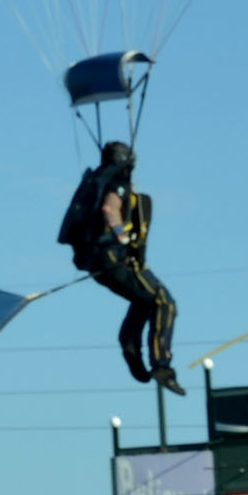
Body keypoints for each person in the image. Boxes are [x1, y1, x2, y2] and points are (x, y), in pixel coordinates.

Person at [59, 140, 180, 392]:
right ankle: (161, 365)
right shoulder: (117, 183)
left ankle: (130, 342)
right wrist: (122, 236)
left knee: (143, 299)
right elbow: (110, 208)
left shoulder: (95, 180)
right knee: (163, 302)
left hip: (95, 264)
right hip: (114, 259)